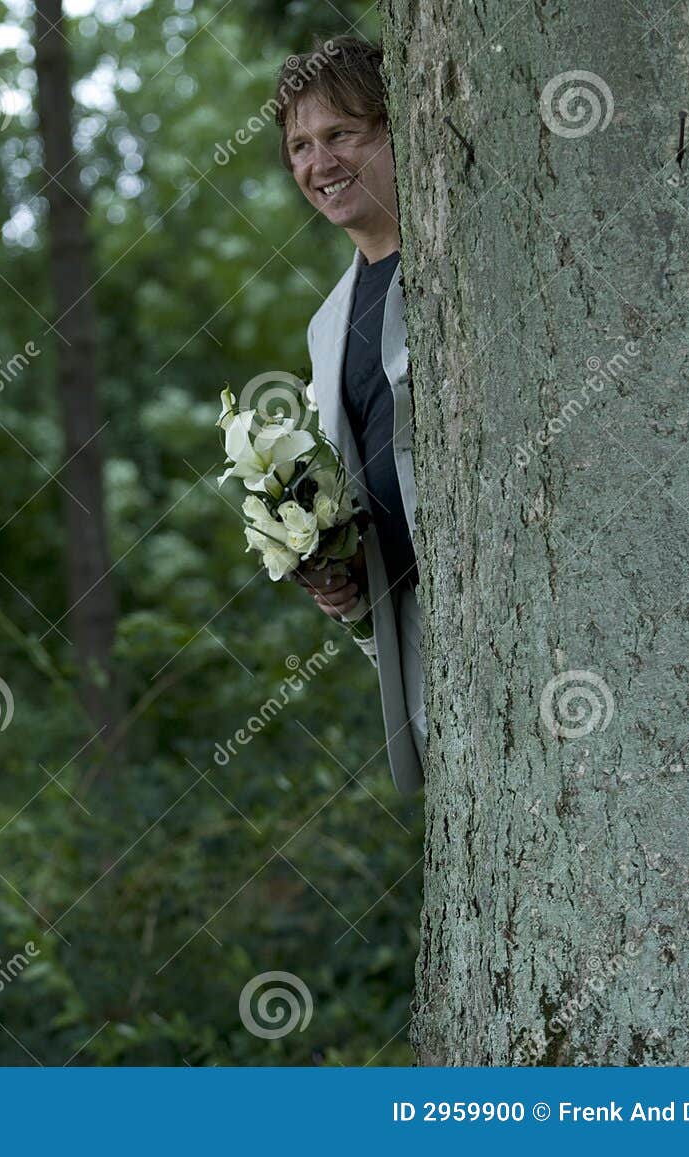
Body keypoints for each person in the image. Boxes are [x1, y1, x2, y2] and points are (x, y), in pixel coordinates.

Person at [275, 36, 427, 794]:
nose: (320, 162)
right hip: (423, 643)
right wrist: (342, 572)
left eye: (341, 133)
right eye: (300, 146)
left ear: (398, 128)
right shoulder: (325, 325)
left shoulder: (452, 262)